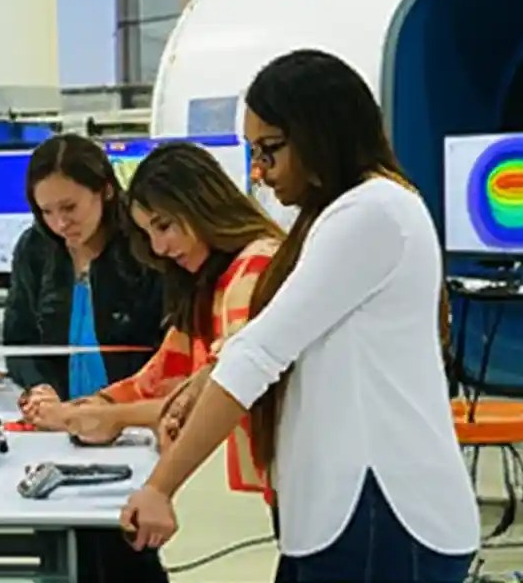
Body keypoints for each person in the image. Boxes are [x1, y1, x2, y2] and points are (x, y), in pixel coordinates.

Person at [120, 50, 480, 582]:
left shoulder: (370, 213)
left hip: (381, 510)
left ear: (320, 131)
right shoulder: (338, 216)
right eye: (253, 154)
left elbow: (259, 353)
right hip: (343, 511)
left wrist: (160, 487)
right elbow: (297, 343)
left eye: (270, 150)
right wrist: (202, 381)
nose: (260, 173)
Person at [30, 142, 283, 508]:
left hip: (262, 499)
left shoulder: (254, 267)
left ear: (202, 204)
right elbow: (160, 375)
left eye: (164, 226)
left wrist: (113, 418)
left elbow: (224, 391)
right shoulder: (207, 284)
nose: (160, 248)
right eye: (148, 233)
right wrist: (91, 408)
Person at [1, 133, 168, 583]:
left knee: (124, 546)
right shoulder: (34, 250)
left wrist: (118, 412)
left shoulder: (144, 248)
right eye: (46, 211)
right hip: (57, 425)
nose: (59, 223)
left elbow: (168, 351)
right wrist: (39, 387)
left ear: (106, 190)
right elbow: (17, 340)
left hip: (129, 424)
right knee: (60, 542)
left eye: (69, 208)